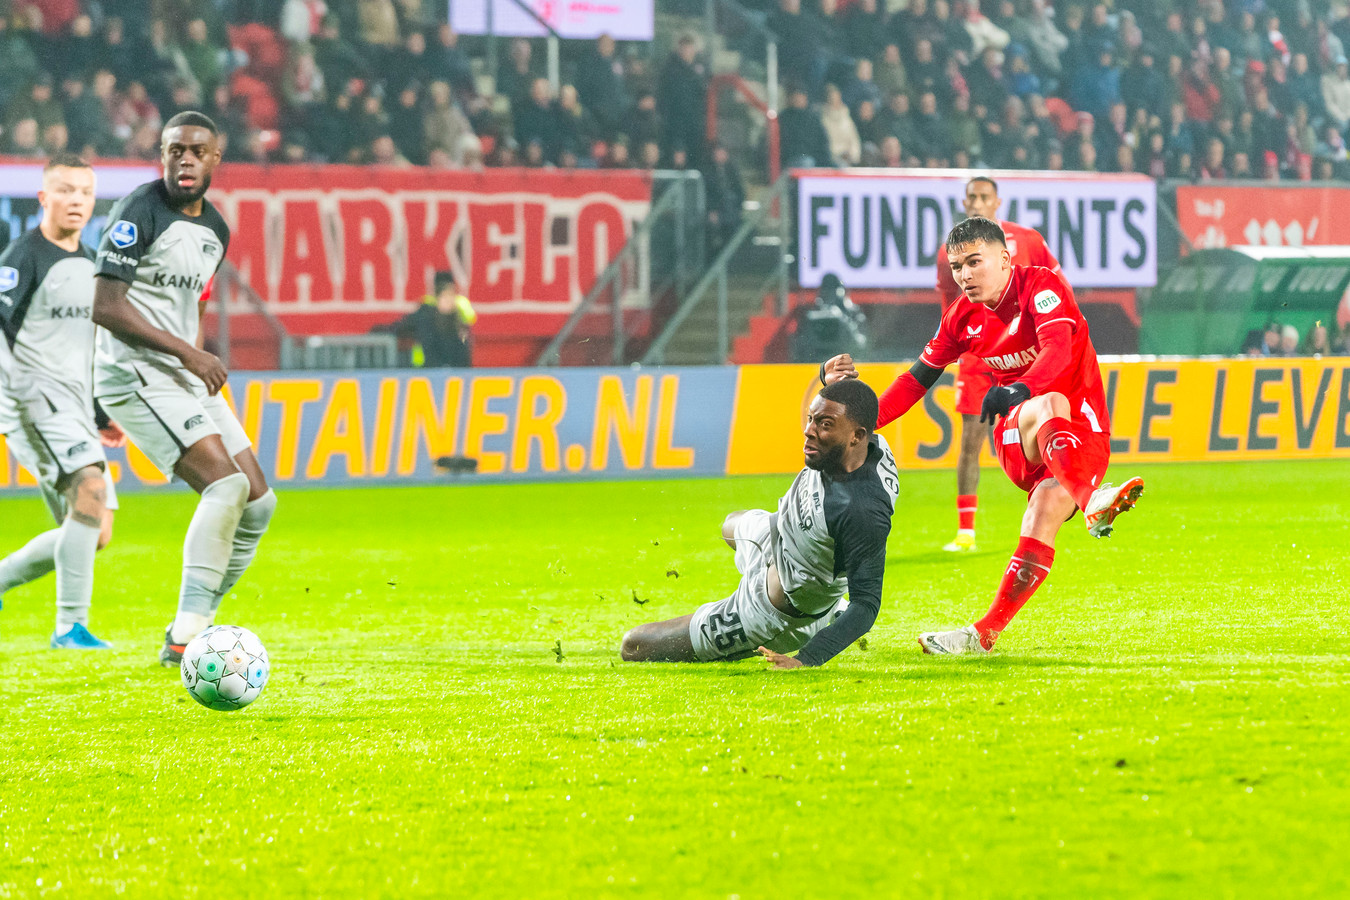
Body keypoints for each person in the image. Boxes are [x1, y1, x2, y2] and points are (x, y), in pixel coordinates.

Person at [824, 216, 1144, 656]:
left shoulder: (1043, 286)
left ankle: (984, 634)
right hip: (1021, 434)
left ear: (1005, 259)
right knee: (1050, 405)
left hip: (1083, 438)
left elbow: (1056, 348)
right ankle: (1094, 503)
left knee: (1045, 510)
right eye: (957, 266)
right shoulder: (961, 316)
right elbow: (915, 381)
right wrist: (860, 420)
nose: (964, 275)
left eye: (974, 262)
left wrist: (1020, 386)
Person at [90, 112, 277, 666]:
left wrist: (192, 358)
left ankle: (198, 620)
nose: (185, 160)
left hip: (179, 374)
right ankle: (186, 636)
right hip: (133, 372)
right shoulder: (138, 212)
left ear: (216, 158)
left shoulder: (216, 230)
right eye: (175, 151)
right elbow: (105, 306)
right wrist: (190, 354)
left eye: (197, 151)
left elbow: (186, 306)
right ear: (162, 155)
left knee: (260, 504)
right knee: (225, 488)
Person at [621, 379, 897, 668]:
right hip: (773, 538)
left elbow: (866, 605)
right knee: (730, 523)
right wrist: (826, 377)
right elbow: (867, 400)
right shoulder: (857, 444)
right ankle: (828, 608)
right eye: (810, 419)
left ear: (856, 436)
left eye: (824, 425)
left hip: (769, 611)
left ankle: (781, 631)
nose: (808, 431)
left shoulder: (861, 510)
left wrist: (806, 660)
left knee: (633, 645)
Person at [0, 155, 120, 647]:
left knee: (95, 530)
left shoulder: (90, 263)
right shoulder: (21, 258)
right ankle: (70, 627)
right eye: (65, 191)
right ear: (44, 198)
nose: (76, 200)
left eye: (85, 193)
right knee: (90, 492)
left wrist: (98, 411)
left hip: (72, 406)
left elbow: (85, 347)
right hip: (32, 401)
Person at [934, 176, 1061, 553]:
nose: (977, 202)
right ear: (964, 201)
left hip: (1023, 351)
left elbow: (1057, 285)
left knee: (1040, 432)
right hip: (977, 355)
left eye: (984, 197)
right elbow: (949, 310)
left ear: (997, 203)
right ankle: (966, 532)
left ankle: (1057, 508)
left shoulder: (1028, 240)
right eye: (971, 196)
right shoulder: (948, 254)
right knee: (971, 439)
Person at [373, 271, 476, 367]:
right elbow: (399, 328)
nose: (449, 300)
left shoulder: (459, 320)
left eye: (451, 295)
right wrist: (377, 331)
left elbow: (464, 353)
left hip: (454, 375)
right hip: (426, 373)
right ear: (437, 296)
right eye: (445, 296)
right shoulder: (424, 315)